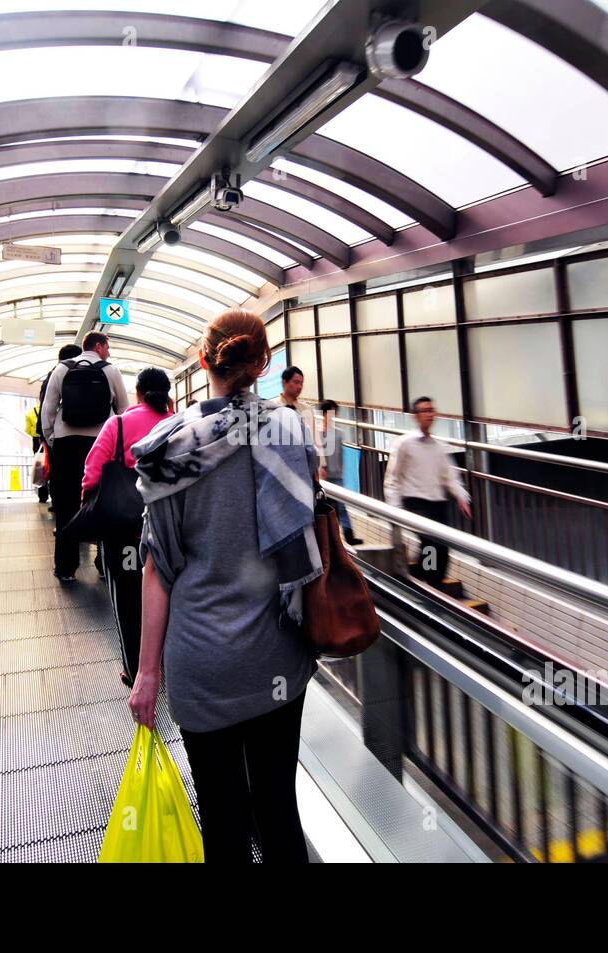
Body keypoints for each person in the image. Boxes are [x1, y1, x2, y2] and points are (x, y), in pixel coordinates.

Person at [128, 309, 319, 863]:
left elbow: (157, 568)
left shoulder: (170, 450)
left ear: (205, 360)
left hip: (202, 667)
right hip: (276, 658)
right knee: (279, 810)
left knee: (222, 822)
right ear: (262, 365)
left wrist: (146, 675)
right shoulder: (286, 430)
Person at [81, 367, 174, 687]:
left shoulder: (118, 424)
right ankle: (168, 663)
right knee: (170, 594)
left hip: (124, 528)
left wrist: (88, 505)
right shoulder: (178, 425)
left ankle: (135, 670)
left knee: (127, 598)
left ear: (137, 393)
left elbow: (92, 473)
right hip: (168, 528)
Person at [41, 332, 129, 581]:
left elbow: (48, 410)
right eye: (108, 346)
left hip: (66, 445)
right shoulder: (110, 371)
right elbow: (123, 410)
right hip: (101, 444)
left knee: (66, 505)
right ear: (98, 346)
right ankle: (103, 564)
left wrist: (53, 439)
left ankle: (65, 568)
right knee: (103, 501)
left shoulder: (61, 369)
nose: (109, 352)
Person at [384, 396, 472, 588]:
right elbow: (392, 478)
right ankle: (429, 585)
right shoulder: (404, 444)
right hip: (415, 503)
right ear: (416, 416)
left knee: (442, 549)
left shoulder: (439, 447)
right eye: (424, 411)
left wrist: (462, 497)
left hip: (438, 504)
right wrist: (394, 508)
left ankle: (429, 581)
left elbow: (450, 475)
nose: (429, 414)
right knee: (431, 544)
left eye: (431, 410)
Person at [38, 345, 81, 506]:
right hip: (90, 435)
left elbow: (46, 406)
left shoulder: (55, 373)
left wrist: (47, 435)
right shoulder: (92, 370)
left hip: (61, 434)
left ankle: (59, 507)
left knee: (60, 474)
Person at [316, 399, 362, 546]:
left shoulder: (339, 433)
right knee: (326, 507)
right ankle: (330, 537)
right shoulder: (317, 432)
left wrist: (341, 469)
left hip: (336, 475)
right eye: (330, 411)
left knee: (341, 507)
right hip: (323, 477)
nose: (332, 415)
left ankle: (349, 536)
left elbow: (341, 453)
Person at [278, 365, 317, 442]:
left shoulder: (307, 409)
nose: (299, 387)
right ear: (284, 382)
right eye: (296, 382)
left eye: (301, 383)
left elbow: (313, 439)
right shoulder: (273, 407)